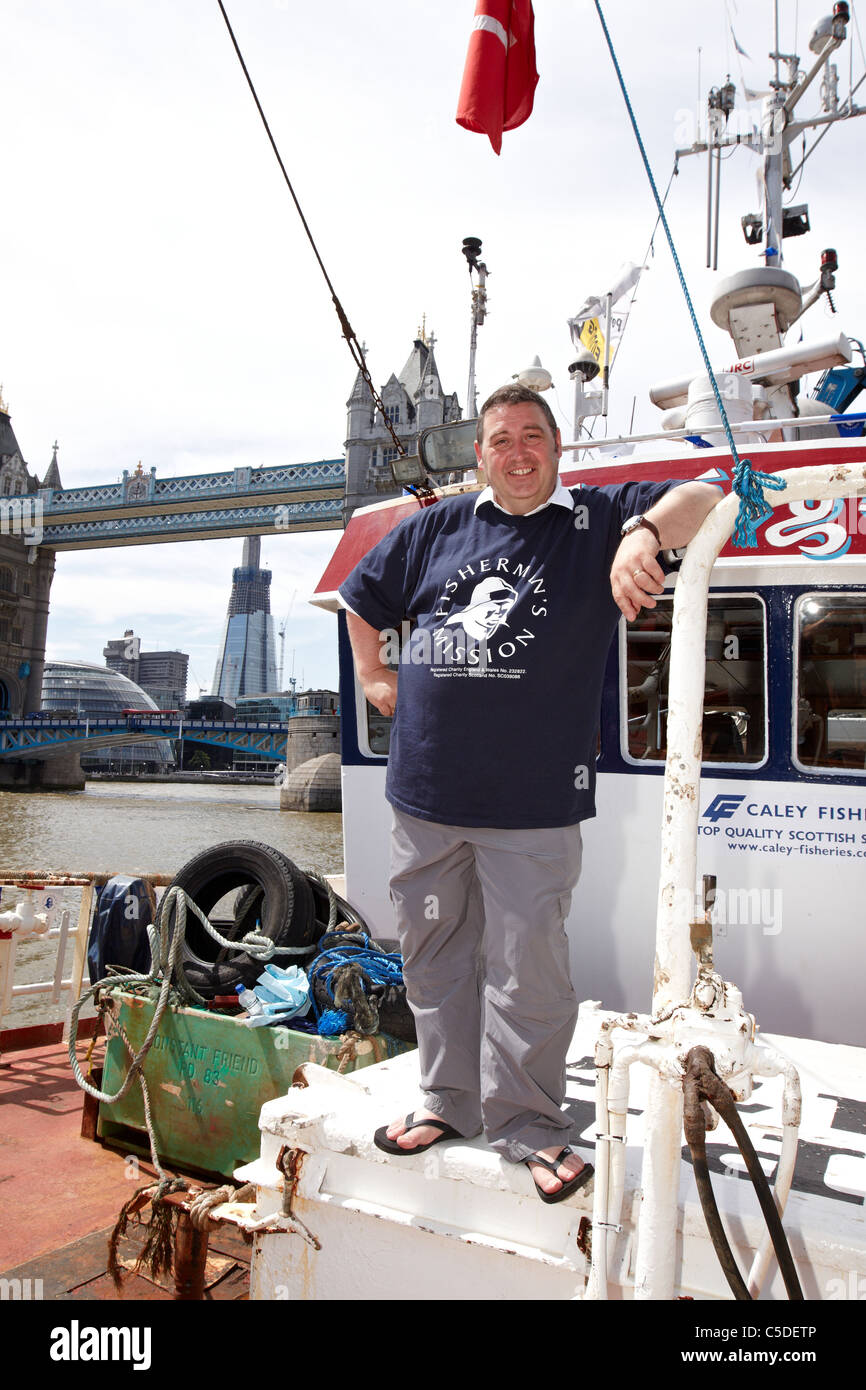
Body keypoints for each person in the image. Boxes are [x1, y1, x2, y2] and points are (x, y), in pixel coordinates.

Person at [339, 384, 720, 1202]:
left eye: (533, 436)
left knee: (527, 973)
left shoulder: (597, 519)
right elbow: (360, 598)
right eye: (500, 437)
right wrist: (373, 672)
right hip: (424, 795)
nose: (517, 450)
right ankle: (448, 1101)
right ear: (480, 454)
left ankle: (529, 1125)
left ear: (556, 448)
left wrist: (644, 535)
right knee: (435, 957)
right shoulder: (438, 526)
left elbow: (708, 491)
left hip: (532, 804)